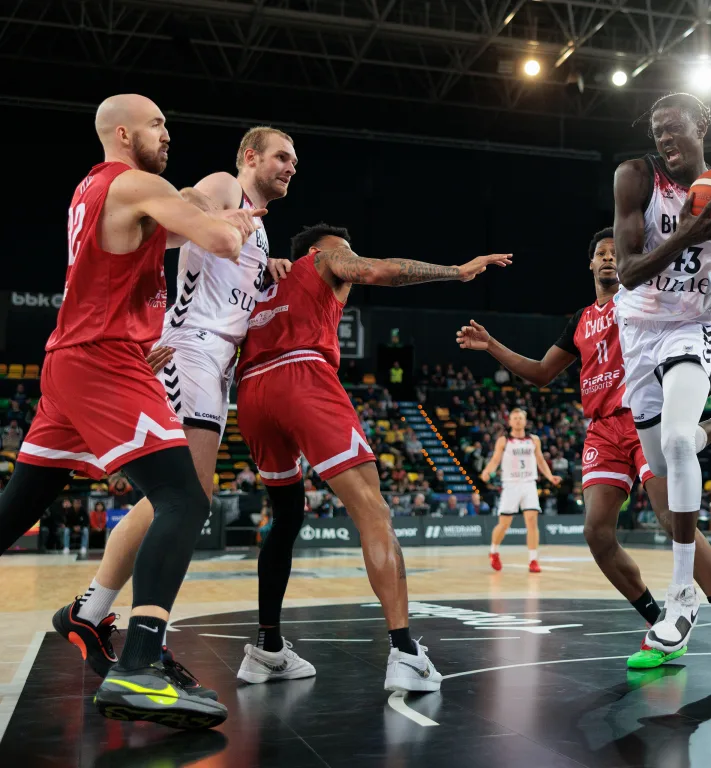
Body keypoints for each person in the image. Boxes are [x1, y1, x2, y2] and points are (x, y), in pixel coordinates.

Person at [0, 94, 263, 728]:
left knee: (17, 508)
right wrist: (239, 219)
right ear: (123, 133)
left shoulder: (95, 190)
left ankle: (93, 620)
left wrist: (198, 208)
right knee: (184, 499)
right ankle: (141, 664)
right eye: (157, 124)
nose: (168, 132)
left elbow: (165, 233)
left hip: (72, 360)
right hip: (103, 362)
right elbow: (221, 239)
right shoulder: (135, 181)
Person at [50, 125, 297, 687]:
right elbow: (185, 206)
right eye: (282, 156)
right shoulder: (224, 188)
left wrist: (271, 269)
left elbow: (233, 282)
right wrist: (201, 213)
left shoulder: (257, 232)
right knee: (184, 496)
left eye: (295, 160)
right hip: (191, 350)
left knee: (187, 496)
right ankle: (130, 635)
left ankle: (90, 611)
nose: (291, 166)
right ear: (250, 158)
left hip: (215, 361)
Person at [457, 227, 711, 670]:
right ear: (589, 264)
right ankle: (660, 624)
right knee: (597, 534)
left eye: (613, 253)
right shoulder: (581, 320)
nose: (606, 259)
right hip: (602, 430)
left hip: (643, 415)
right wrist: (491, 346)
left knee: (670, 517)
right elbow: (543, 372)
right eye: (599, 254)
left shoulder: (641, 301)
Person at [234, 222, 508, 693]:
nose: (349, 258)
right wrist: (456, 272)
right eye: (346, 249)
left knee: (285, 516)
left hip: (251, 391)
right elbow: (377, 271)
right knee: (372, 509)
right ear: (321, 250)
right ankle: (405, 652)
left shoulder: (260, 281)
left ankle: (267, 648)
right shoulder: (323, 258)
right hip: (303, 374)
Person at [611, 92, 711, 671]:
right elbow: (627, 271)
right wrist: (692, 230)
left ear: (701, 124)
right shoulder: (635, 177)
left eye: (673, 128)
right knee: (663, 481)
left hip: (693, 327)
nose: (663, 139)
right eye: (657, 131)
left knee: (679, 442)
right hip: (639, 335)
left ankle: (681, 600)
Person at [479, 409, 560, 573]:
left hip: (529, 483)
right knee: (504, 524)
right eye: (514, 418)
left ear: (525, 421)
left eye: (520, 418)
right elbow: (495, 460)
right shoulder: (504, 440)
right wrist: (487, 471)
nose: (517, 421)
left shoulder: (534, 439)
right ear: (509, 422)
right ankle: (493, 551)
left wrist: (550, 477)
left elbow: (540, 460)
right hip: (510, 484)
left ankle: (533, 560)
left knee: (532, 521)